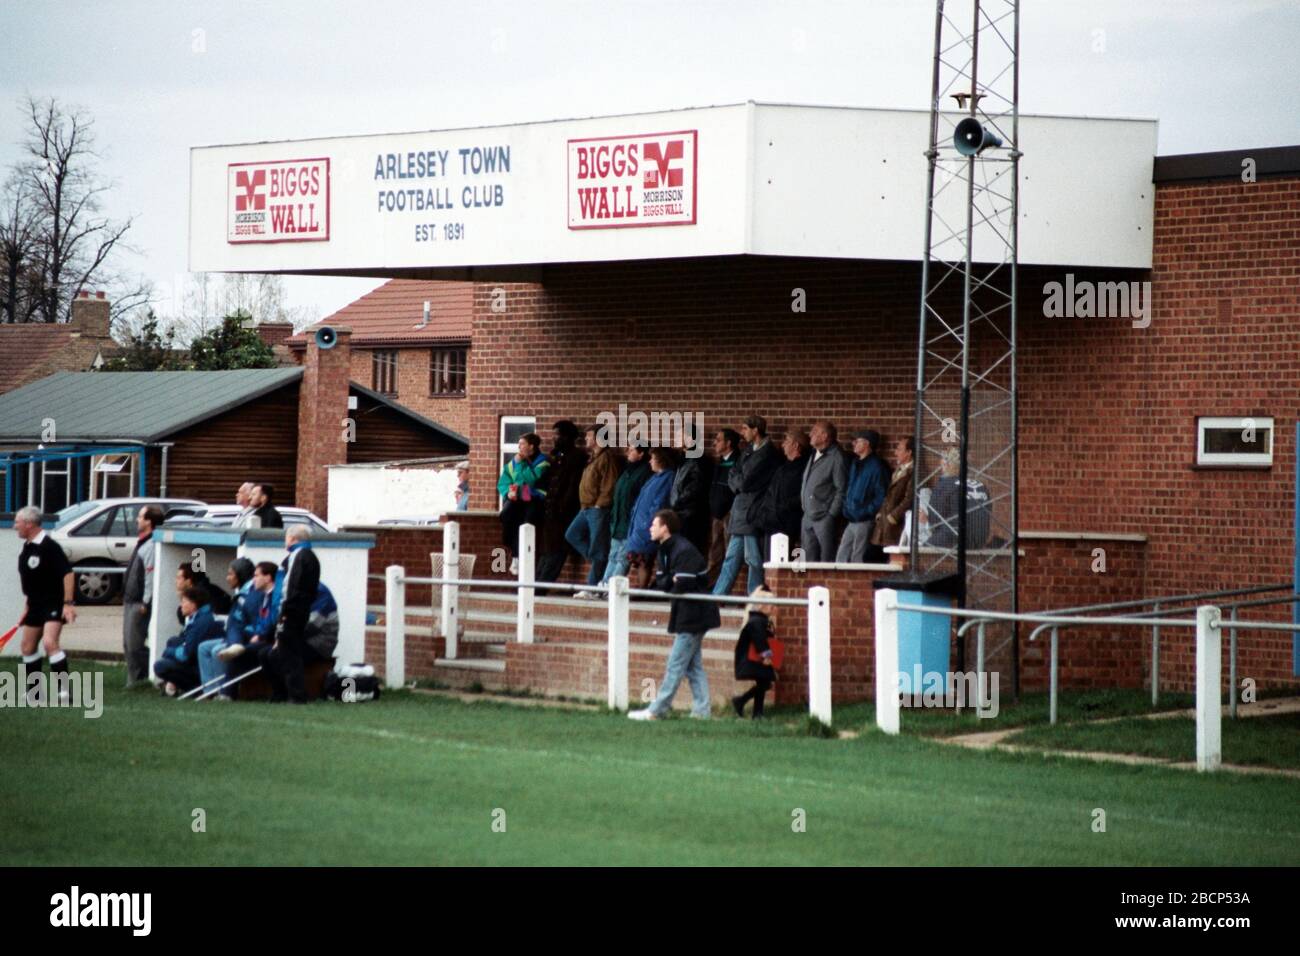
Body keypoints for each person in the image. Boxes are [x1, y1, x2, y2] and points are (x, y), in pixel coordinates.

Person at [628, 510, 719, 721]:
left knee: (675, 664)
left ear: (665, 527)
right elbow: (663, 583)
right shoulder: (665, 551)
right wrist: (672, 580)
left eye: (654, 525)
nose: (650, 528)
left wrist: (674, 582)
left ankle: (657, 709)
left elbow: (684, 584)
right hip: (685, 612)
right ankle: (702, 711)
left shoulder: (684, 550)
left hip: (695, 613)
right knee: (693, 667)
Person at [13, 506, 76, 703]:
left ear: (29, 524)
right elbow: (32, 580)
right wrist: (27, 605)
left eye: (18, 523)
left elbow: (68, 573)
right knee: (27, 647)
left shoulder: (50, 547)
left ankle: (64, 691)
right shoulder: (28, 546)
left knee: (50, 643)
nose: (15, 527)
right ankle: (35, 692)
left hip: (53, 603)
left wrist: (67, 604)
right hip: (34, 604)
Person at [713, 415, 781, 595]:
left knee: (753, 559)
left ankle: (755, 597)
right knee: (731, 557)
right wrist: (737, 482)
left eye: (745, 429)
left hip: (752, 511)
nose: (742, 433)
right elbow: (734, 472)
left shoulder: (767, 454)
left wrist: (737, 482)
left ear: (755, 430)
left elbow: (745, 482)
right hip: (740, 511)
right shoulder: (749, 449)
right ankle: (716, 597)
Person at [263, 524, 321, 703]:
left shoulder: (299, 556)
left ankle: (296, 695)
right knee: (281, 653)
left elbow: (292, 586)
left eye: (286, 538)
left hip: (293, 612)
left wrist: (285, 611)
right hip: (298, 610)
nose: (285, 542)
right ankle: (285, 693)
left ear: (293, 539)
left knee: (289, 655)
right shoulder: (308, 556)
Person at [566, 425, 619, 593]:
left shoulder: (607, 458)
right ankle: (598, 559)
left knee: (599, 548)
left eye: (589, 436)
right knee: (572, 534)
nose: (586, 439)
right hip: (586, 508)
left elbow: (609, 485)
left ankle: (591, 587)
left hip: (597, 509)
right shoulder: (594, 457)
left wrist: (599, 504)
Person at [215, 561, 279, 698]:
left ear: (268, 578)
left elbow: (273, 622)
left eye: (256, 576)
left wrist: (260, 634)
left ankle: (225, 693)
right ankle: (235, 645)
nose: (253, 580)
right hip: (260, 636)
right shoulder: (263, 596)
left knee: (239, 653)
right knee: (235, 633)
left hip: (271, 640)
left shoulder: (274, 596)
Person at [196, 558, 257, 698]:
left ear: (240, 575)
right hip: (232, 636)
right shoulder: (241, 593)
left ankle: (224, 692)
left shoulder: (249, 595)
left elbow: (245, 623)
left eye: (230, 574)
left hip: (244, 639)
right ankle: (210, 691)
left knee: (217, 650)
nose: (227, 578)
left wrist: (236, 639)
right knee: (203, 647)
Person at [537, 420, 585, 584]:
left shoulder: (577, 457)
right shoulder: (556, 456)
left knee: (556, 550)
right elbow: (547, 481)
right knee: (546, 550)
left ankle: (541, 585)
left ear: (567, 437)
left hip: (563, 513)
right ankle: (535, 583)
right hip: (550, 510)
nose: (554, 438)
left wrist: (562, 508)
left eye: (557, 435)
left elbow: (573, 486)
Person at [622, 448, 677, 589]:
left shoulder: (667, 477)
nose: (650, 461)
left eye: (653, 458)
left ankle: (643, 588)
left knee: (645, 560)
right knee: (639, 559)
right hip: (640, 523)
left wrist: (649, 522)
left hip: (649, 525)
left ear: (661, 460)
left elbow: (659, 502)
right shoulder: (655, 477)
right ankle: (642, 588)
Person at [122, 504, 164, 687]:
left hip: (139, 602)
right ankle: (135, 678)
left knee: (134, 645)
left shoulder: (151, 546)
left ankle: (140, 678)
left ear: (149, 521)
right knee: (128, 643)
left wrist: (145, 602)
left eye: (140, 517)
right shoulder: (143, 542)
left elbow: (150, 576)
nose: (137, 520)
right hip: (130, 600)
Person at [154, 585, 222, 696]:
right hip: (195, 660)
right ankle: (172, 684)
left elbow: (186, 655)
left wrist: (168, 652)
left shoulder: (201, 623)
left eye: (184, 601)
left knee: (160, 666)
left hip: (200, 667)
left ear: (193, 604)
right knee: (173, 641)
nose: (181, 605)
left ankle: (193, 689)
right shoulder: (198, 618)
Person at [600, 443, 650, 586]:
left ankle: (612, 589)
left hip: (630, 524)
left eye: (632, 449)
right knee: (612, 557)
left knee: (623, 559)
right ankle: (603, 586)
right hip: (617, 522)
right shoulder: (626, 470)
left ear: (641, 454)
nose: (628, 451)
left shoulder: (645, 473)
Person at [836, 429, 890, 563]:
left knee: (858, 558)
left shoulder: (877, 467)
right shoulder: (855, 463)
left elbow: (881, 496)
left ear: (867, 444)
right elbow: (849, 488)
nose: (854, 443)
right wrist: (846, 508)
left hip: (864, 521)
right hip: (851, 519)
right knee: (841, 556)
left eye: (857, 441)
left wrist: (865, 512)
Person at [800, 420, 849, 561]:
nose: (810, 435)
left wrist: (831, 514)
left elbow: (841, 489)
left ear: (824, 436)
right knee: (806, 560)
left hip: (823, 517)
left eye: (814, 432)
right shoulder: (814, 453)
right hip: (808, 515)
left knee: (826, 559)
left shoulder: (837, 457)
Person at [497, 432, 549, 560]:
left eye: (522, 444)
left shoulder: (543, 462)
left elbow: (528, 480)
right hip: (517, 498)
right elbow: (503, 482)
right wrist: (507, 492)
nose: (519, 447)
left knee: (526, 525)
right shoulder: (515, 462)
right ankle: (513, 552)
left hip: (534, 500)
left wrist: (519, 465)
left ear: (531, 446)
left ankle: (521, 557)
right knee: (506, 515)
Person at [758, 430, 810, 550]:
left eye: (787, 441)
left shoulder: (804, 468)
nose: (783, 445)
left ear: (796, 445)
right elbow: (771, 491)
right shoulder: (782, 468)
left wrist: (784, 506)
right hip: (771, 522)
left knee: (784, 563)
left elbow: (803, 494)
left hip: (788, 524)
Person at [732, 586, 777, 719]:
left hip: (753, 658)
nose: (773, 607)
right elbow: (759, 640)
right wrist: (766, 655)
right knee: (764, 682)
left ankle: (756, 712)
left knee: (763, 682)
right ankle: (741, 702)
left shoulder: (759, 620)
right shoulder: (757, 621)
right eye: (770, 605)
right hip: (751, 659)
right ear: (762, 605)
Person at [669, 433, 712, 555]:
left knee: (688, 551)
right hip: (679, 513)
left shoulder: (698, 461)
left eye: (682, 435)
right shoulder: (682, 459)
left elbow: (694, 489)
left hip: (690, 515)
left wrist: (677, 503)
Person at [707, 428, 741, 581]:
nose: (715, 442)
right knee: (715, 554)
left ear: (728, 443)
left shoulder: (737, 461)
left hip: (729, 514)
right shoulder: (720, 462)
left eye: (719, 439)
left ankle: (725, 593)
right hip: (717, 515)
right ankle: (711, 588)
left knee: (730, 554)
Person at [871, 436, 915, 553]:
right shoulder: (899, 470)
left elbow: (909, 498)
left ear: (909, 452)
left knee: (889, 555)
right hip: (884, 521)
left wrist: (894, 516)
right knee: (874, 556)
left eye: (899, 449)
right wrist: (880, 512)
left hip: (896, 524)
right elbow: (889, 494)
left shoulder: (913, 472)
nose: (896, 453)